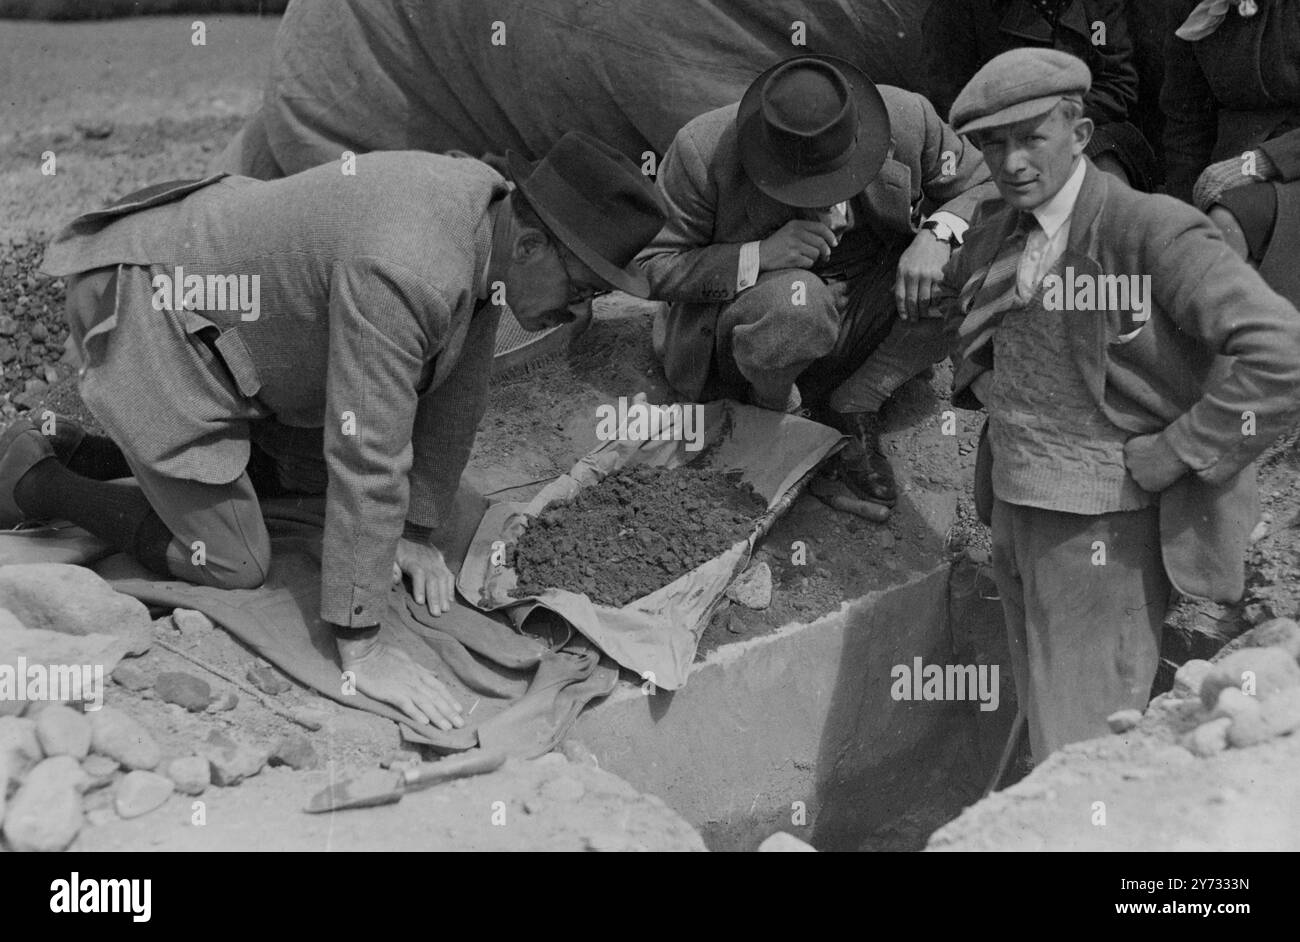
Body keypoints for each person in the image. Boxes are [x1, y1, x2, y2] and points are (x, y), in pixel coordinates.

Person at [0, 131, 665, 730]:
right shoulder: (412, 262)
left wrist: (412, 530)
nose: (574, 313)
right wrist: (362, 644)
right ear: (529, 244)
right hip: (150, 301)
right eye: (578, 289)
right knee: (235, 562)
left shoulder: (488, 214)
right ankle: (37, 479)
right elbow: (367, 449)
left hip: (230, 322)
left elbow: (459, 391)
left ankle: (100, 453)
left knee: (310, 486)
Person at [941, 48, 1300, 761]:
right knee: (1052, 719)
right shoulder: (998, 230)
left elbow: (1282, 351)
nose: (1011, 161)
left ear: (1078, 133)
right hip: (1015, 507)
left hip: (1105, 527)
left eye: (1030, 137)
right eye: (992, 144)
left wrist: (1184, 449)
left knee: (1082, 748)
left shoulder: (1150, 229)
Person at [636, 54, 995, 513]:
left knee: (975, 263)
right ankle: (782, 418)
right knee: (797, 307)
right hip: (760, 326)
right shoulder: (702, 151)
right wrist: (758, 256)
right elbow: (650, 264)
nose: (826, 201)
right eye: (802, 189)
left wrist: (938, 233)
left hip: (870, 298)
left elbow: (986, 186)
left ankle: (858, 398)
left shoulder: (907, 118)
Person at [923, 0, 1159, 189]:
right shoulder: (959, 9)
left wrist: (1052, 122)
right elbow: (951, 102)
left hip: (1088, 127)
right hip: (994, 139)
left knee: (1102, 176)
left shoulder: (1097, 9)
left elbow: (1117, 84)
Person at [1162, 0, 1300, 306]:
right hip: (1227, 168)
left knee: (1226, 227)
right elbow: (1187, 121)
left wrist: (1260, 162)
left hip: (1290, 163)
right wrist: (1182, 210)